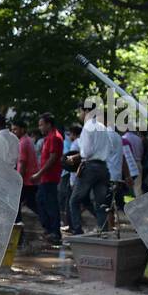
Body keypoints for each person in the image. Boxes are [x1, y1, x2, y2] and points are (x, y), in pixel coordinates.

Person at [68, 100, 112, 234]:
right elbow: (109, 147)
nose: (79, 114)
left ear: (85, 111)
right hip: (103, 168)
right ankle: (103, 231)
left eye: (79, 111)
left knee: (74, 201)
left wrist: (76, 157)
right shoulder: (102, 127)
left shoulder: (87, 127)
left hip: (90, 168)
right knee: (101, 204)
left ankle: (77, 231)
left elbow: (86, 152)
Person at [34, 113, 63, 244]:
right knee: (41, 201)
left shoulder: (55, 137)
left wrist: (39, 173)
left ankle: (54, 232)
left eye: (41, 124)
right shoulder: (49, 137)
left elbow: (53, 158)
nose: (40, 127)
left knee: (51, 205)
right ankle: (50, 230)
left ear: (48, 124)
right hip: (45, 177)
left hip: (50, 177)